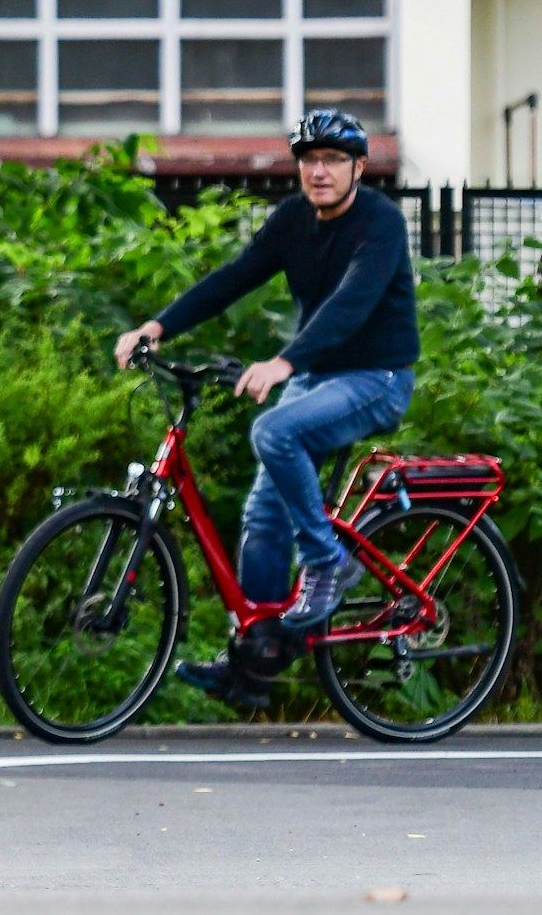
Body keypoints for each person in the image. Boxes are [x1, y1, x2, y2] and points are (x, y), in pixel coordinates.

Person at [113, 109, 418, 708]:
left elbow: (351, 304)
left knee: (274, 431)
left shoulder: (379, 224)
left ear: (358, 167)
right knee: (262, 518)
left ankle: (328, 563)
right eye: (309, 161)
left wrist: (284, 361)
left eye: (333, 160)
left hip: (375, 377)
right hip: (319, 375)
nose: (319, 171)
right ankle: (256, 662)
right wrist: (158, 325)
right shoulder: (293, 221)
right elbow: (236, 276)